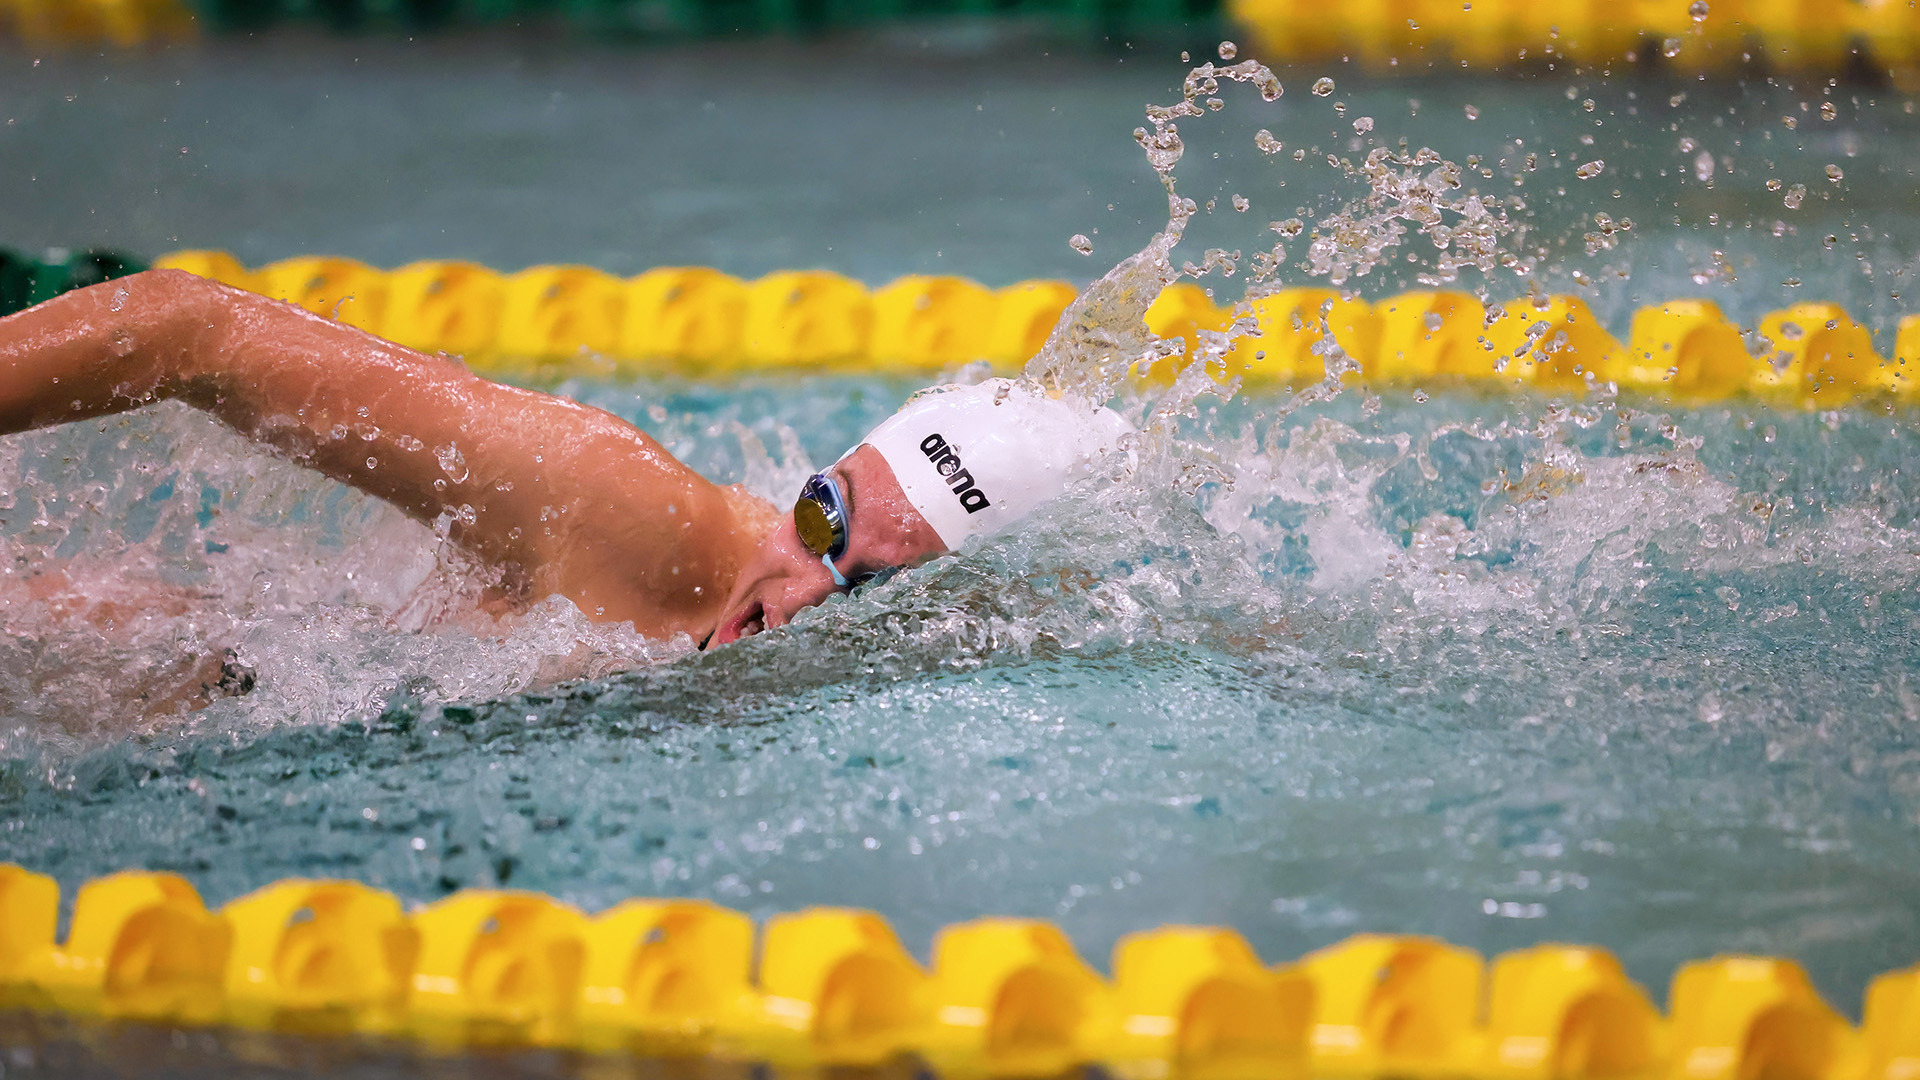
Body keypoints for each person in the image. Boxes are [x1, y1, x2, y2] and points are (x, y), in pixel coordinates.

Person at [0, 269, 1132, 650]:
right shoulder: (625, 510)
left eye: (870, 587)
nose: (796, 594)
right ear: (818, 476)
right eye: (821, 521)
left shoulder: (958, 646)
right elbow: (189, 329)